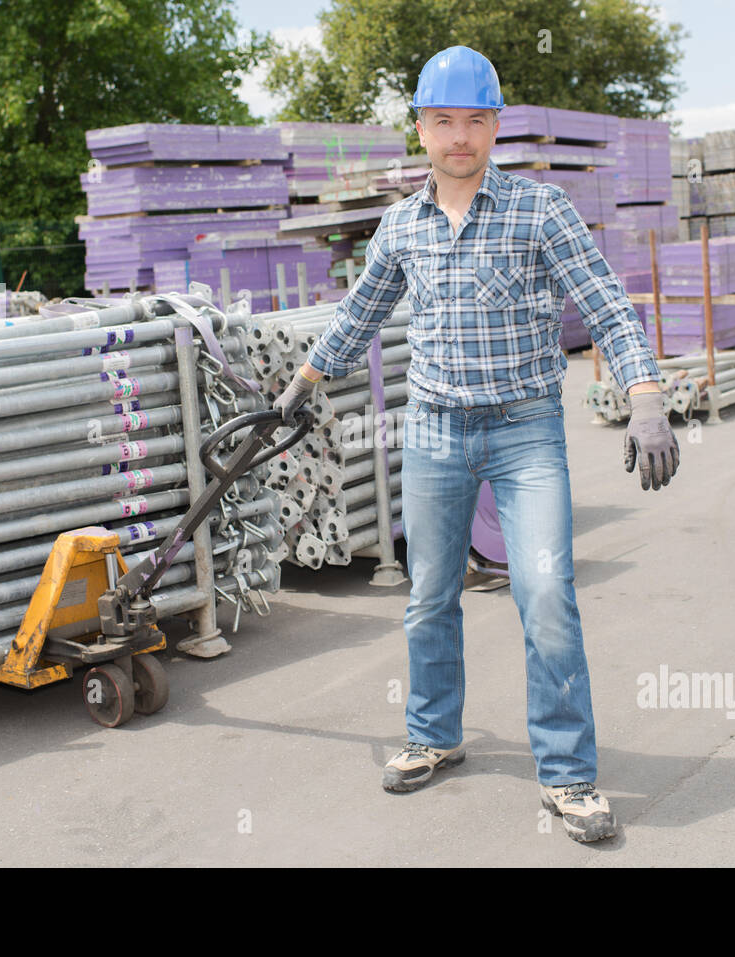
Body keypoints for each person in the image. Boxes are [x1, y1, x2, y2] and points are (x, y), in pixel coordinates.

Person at [273, 45, 679, 844]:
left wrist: (646, 395)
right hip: (431, 430)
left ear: (496, 129)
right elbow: (358, 316)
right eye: (443, 121)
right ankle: (434, 734)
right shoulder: (401, 225)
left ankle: (567, 777)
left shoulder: (540, 210)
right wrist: (303, 384)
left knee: (546, 593)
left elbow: (605, 304)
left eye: (475, 122)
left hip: (525, 430)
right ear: (421, 130)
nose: (459, 136)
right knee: (428, 595)